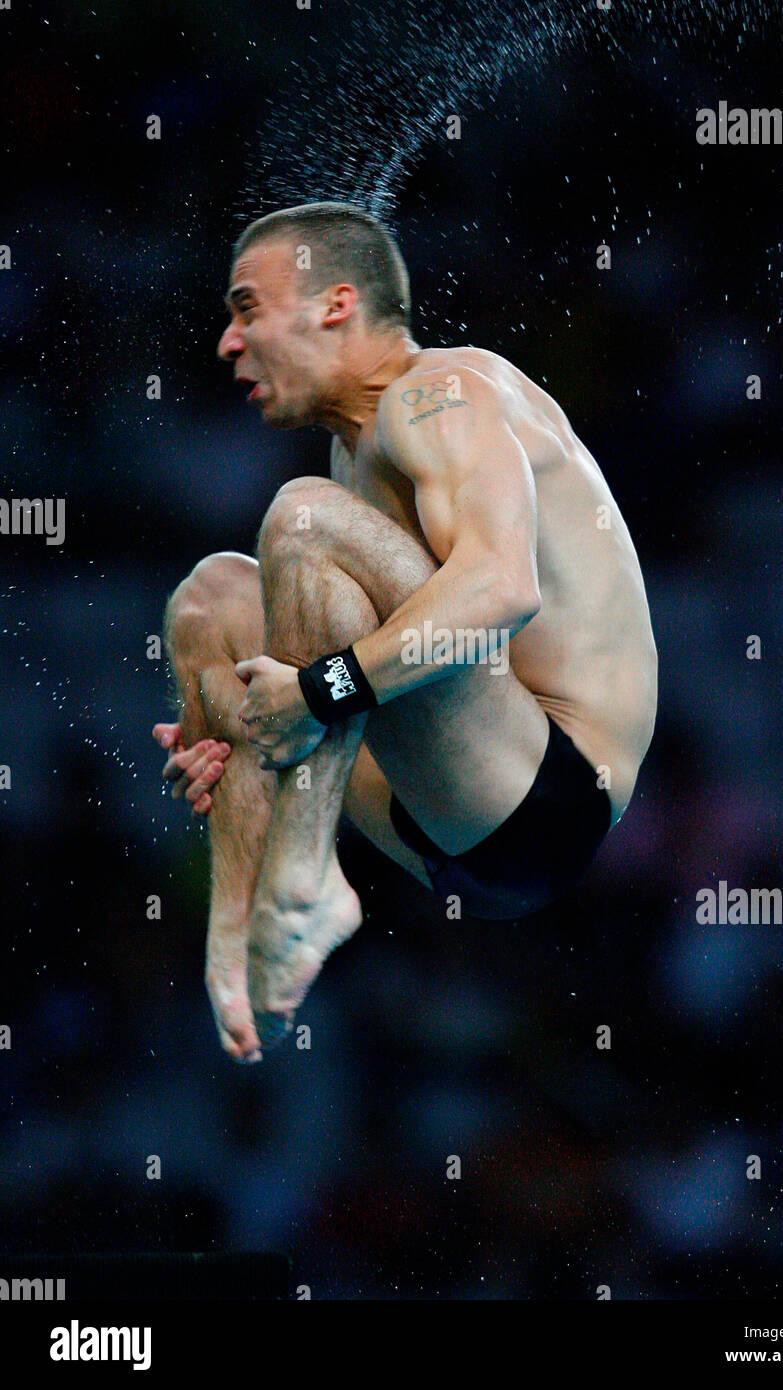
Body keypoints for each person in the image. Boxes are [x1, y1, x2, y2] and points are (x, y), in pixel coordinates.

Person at [152, 201, 658, 1064]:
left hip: (548, 795)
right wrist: (228, 728)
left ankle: (303, 879)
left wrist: (317, 691)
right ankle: (237, 943)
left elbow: (500, 590)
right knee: (210, 601)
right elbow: (355, 652)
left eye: (247, 309)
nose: (227, 344)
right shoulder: (353, 451)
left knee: (302, 522)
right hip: (438, 809)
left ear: (336, 305)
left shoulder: (440, 393)